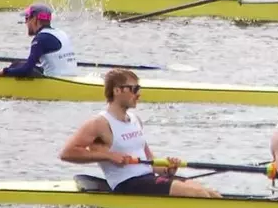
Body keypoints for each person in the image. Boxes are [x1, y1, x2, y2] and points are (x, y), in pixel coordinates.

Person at [58, 68, 220, 198]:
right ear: (117, 90)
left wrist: (168, 169)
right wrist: (109, 156)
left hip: (147, 178)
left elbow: (149, 161)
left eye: (138, 89)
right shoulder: (99, 123)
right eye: (134, 89)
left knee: (210, 193)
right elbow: (67, 153)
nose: (138, 94)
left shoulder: (135, 120)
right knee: (197, 194)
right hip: (126, 183)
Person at [0, 3, 77, 77]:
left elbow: (25, 70)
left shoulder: (40, 39)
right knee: (18, 64)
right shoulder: (61, 33)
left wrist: (4, 72)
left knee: (15, 66)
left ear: (34, 19)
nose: (26, 22)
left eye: (27, 18)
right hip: (72, 77)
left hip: (56, 81)